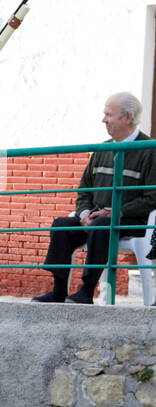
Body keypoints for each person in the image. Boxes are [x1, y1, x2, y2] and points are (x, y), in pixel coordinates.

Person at [33, 92, 156, 303]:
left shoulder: (149, 150)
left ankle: (87, 291)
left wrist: (118, 211)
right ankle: (59, 290)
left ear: (128, 117)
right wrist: (83, 213)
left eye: (109, 115)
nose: (104, 120)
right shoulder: (102, 149)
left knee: (102, 224)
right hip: (96, 217)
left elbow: (152, 197)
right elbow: (84, 190)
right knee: (62, 225)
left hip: (132, 220)